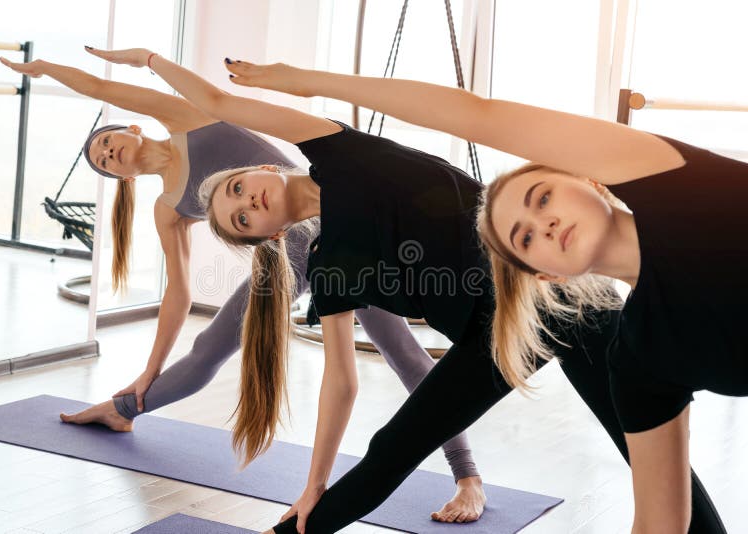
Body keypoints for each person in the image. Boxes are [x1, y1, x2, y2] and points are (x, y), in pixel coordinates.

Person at [222, 61, 743, 533]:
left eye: (239, 189)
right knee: (393, 447)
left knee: (634, 442)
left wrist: (304, 81)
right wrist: (315, 484)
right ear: (269, 237)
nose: (250, 204)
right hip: (495, 331)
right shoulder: (329, 263)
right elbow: (343, 378)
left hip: (568, 307)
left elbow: (475, 114)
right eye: (241, 219)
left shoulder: (344, 158)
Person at [0, 49, 490, 523]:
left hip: (349, 228)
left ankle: (467, 474)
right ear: (119, 178)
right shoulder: (168, 208)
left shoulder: (187, 120)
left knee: (403, 353)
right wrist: (149, 370)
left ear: (132, 128)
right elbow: (178, 293)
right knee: (210, 348)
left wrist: (48, 67)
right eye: (104, 162)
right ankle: (123, 409)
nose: (109, 153)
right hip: (299, 252)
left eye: (106, 143)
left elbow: (104, 87)